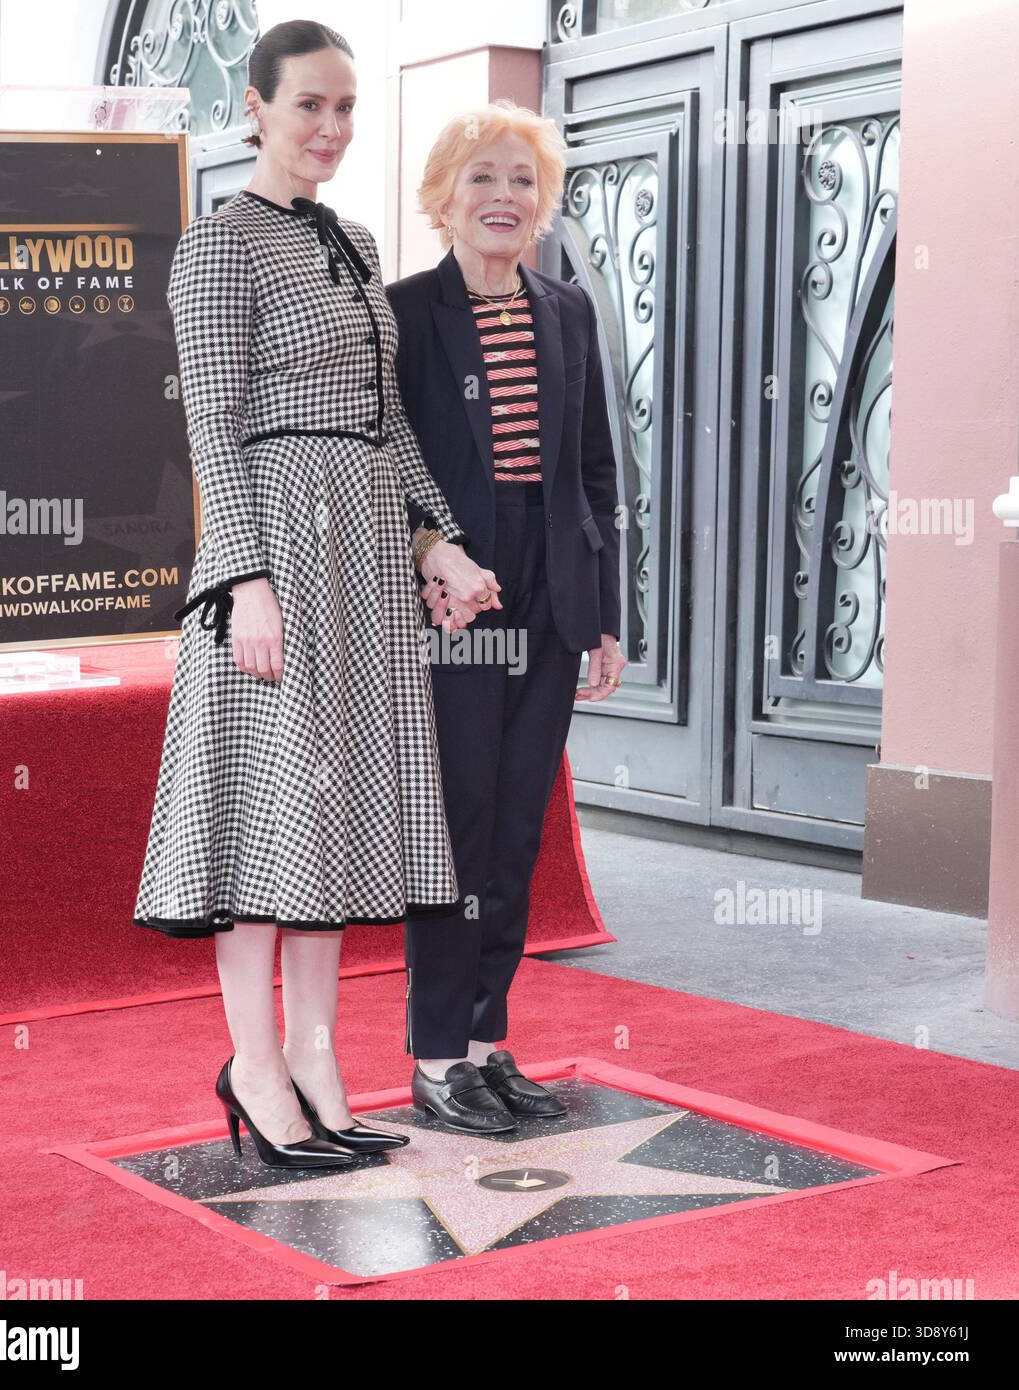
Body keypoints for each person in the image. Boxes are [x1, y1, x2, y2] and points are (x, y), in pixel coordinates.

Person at [132, 20, 498, 1168]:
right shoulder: (219, 244)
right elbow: (211, 430)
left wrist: (436, 540)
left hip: (363, 562)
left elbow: (386, 424)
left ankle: (319, 1058)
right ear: (256, 108)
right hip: (279, 549)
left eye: (345, 107)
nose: (331, 128)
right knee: (267, 819)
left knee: (331, 825)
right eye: (308, 107)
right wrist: (244, 582)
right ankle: (255, 1063)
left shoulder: (352, 237)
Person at [386, 101, 627, 1134]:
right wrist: (429, 558)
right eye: (480, 177)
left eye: (521, 180)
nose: (502, 197)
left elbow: (594, 473)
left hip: (551, 585)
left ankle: (487, 1044)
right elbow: (379, 471)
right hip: (457, 599)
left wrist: (605, 611)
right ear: (444, 195)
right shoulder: (400, 313)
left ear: (543, 202)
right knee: (459, 824)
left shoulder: (566, 310)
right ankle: (436, 1058)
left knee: (519, 826)